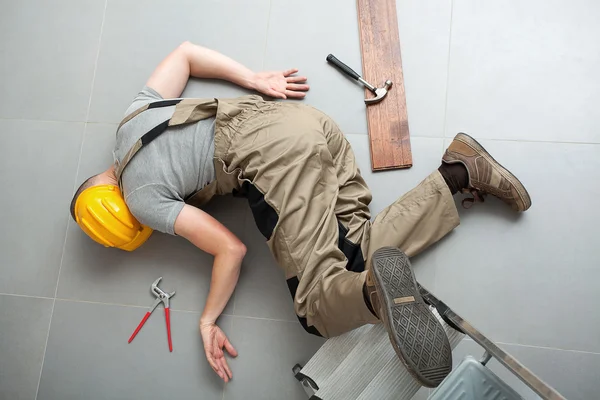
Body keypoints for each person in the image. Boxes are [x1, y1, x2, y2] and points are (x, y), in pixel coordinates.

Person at [69, 42, 531, 387]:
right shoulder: (132, 117)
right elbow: (186, 54)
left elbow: (229, 249)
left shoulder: (144, 203)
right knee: (357, 250)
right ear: (98, 180)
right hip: (307, 124)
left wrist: (207, 321)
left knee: (317, 308)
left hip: (274, 161)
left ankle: (375, 297)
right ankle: (460, 171)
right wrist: (255, 79)